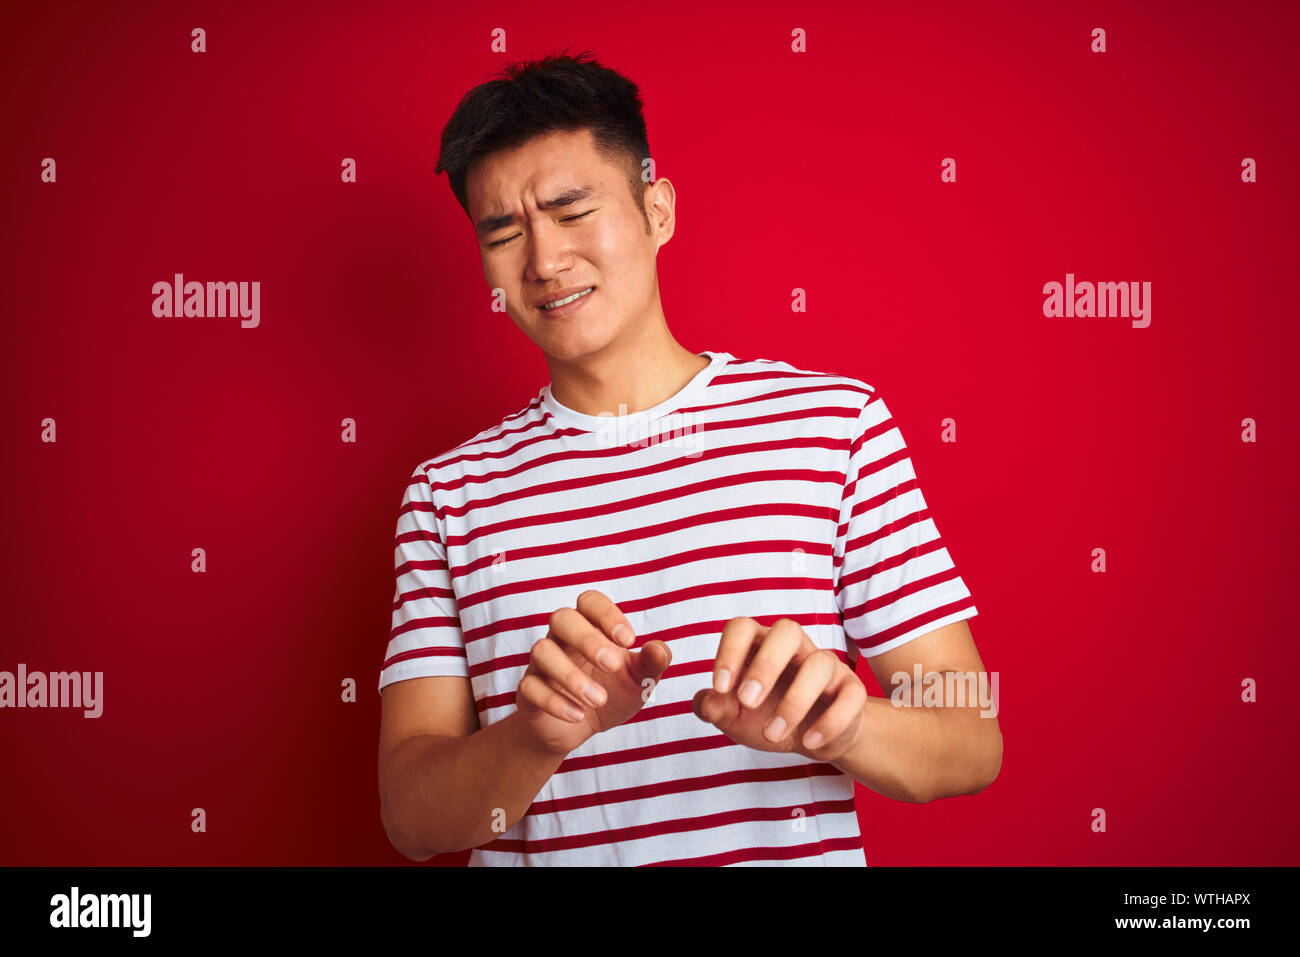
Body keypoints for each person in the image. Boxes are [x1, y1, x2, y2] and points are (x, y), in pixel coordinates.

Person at [377, 50, 1001, 866]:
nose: (544, 261)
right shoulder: (446, 495)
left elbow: (970, 738)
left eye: (572, 211)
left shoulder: (835, 425)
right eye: (504, 232)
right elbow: (412, 820)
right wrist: (535, 736)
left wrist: (846, 723)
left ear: (657, 209)